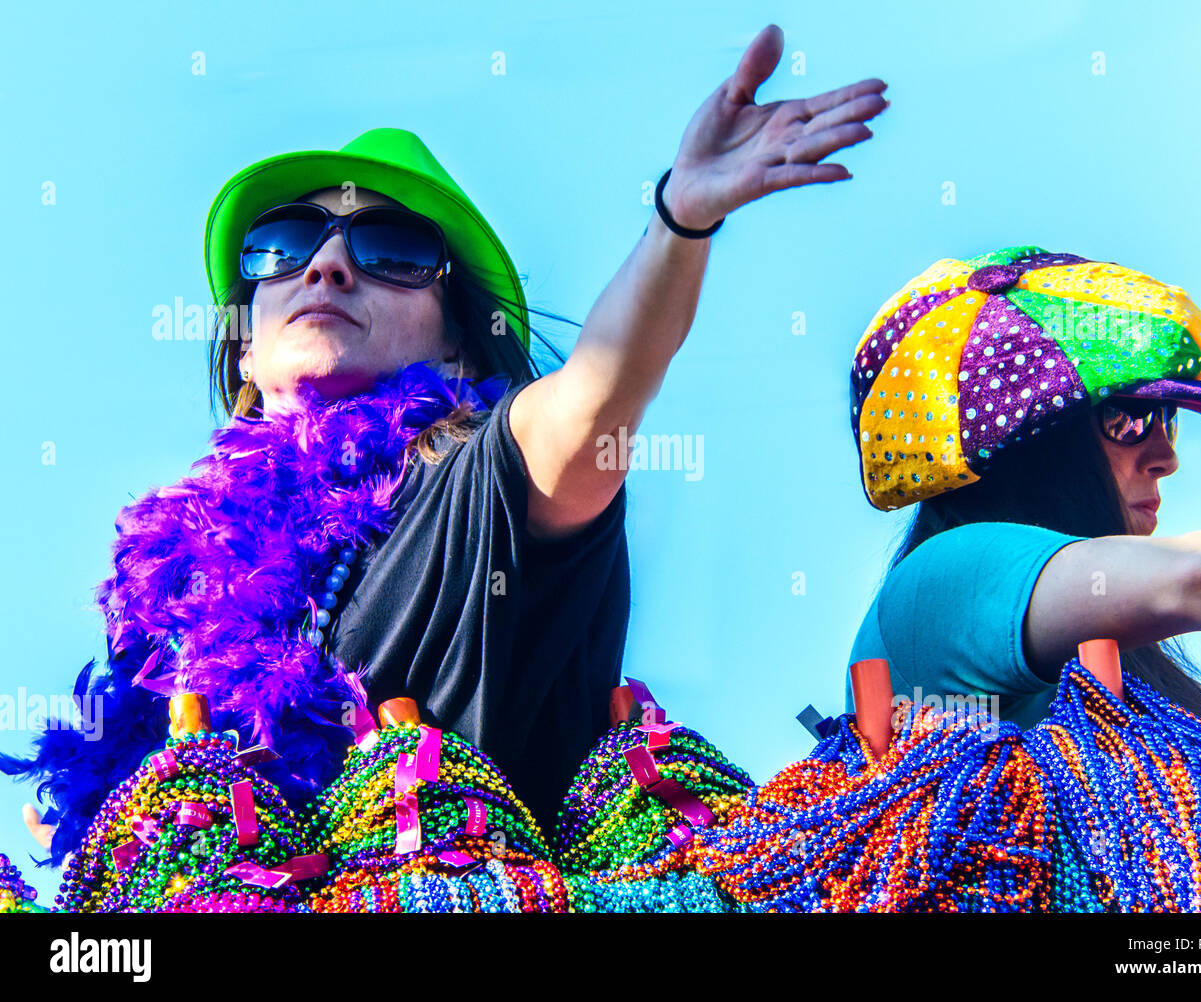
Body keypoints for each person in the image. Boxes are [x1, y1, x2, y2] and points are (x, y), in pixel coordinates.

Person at [6, 24, 891, 864]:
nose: (328, 265)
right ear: (246, 337)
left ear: (461, 342)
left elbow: (595, 399)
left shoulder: (471, 492)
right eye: (280, 247)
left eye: (392, 248)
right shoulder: (171, 592)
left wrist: (679, 221)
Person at [845, 247, 1201, 750]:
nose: (1166, 457)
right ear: (1035, 442)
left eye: (1168, 417)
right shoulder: (941, 578)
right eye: (1128, 419)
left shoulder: (1098, 625)